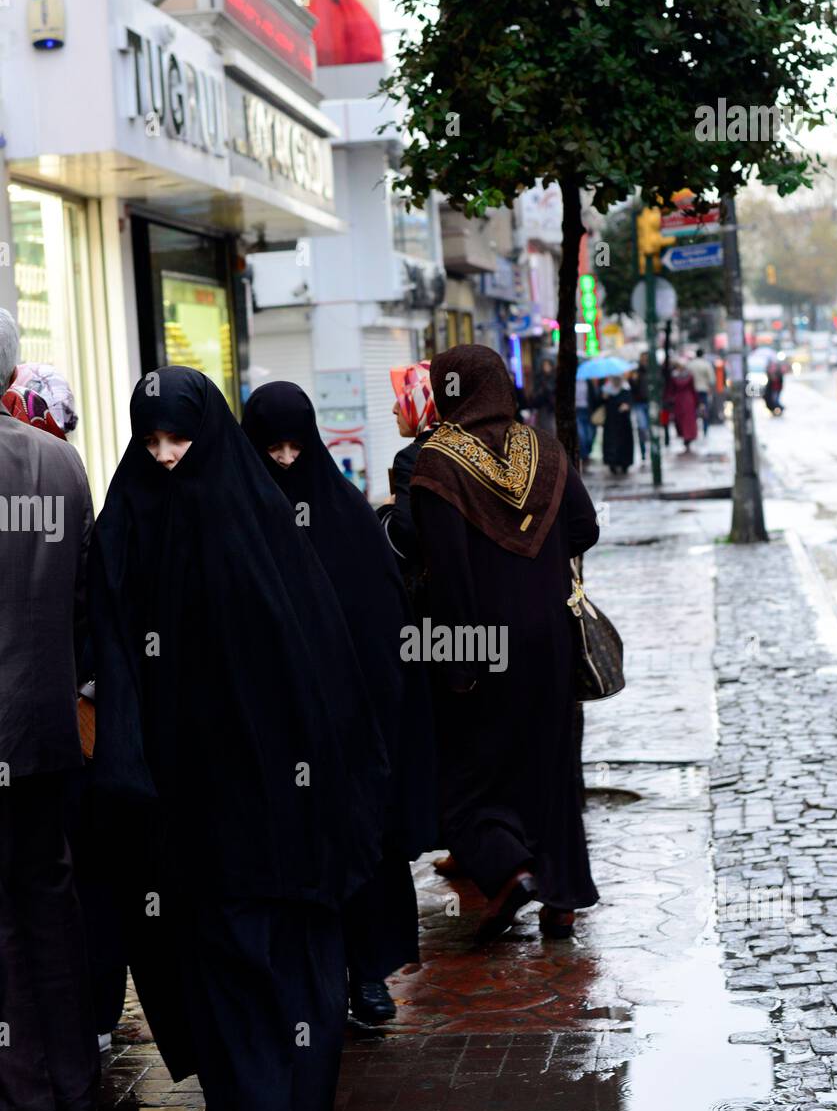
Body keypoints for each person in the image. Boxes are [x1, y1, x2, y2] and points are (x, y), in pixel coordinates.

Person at [89, 366, 393, 1111]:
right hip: (181, 796)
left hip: (274, 790)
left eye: (179, 437)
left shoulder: (256, 518)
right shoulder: (129, 517)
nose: (164, 455)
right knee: (216, 950)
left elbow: (314, 657)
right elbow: (106, 646)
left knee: (281, 947)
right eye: (149, 440)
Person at [242, 381, 437, 1026]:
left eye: (300, 445)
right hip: (282, 733)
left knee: (368, 851)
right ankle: (319, 986)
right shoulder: (243, 524)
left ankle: (369, 978)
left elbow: (386, 625)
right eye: (274, 448)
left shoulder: (347, 516)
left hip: (356, 727)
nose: (289, 460)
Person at [410, 344, 600, 944]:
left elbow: (448, 573)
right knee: (551, 767)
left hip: (481, 639)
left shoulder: (437, 463)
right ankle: (562, 898)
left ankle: (508, 869)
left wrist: (456, 661)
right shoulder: (544, 447)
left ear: (450, 391)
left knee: (466, 775)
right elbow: (585, 528)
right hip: (551, 637)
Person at [0, 308, 100, 1111]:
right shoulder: (61, 463)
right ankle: (75, 1084)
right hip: (44, 723)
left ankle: (23, 1096)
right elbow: (83, 596)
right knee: (51, 900)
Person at [376, 362, 438, 602]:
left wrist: (388, 509)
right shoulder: (463, 442)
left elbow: (405, 532)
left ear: (425, 403)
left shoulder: (411, 457)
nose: (394, 409)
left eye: (403, 400)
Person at [600, 376, 635, 474]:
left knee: (624, 443)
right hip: (611, 421)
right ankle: (612, 463)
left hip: (624, 422)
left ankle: (624, 464)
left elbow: (630, 402)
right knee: (611, 443)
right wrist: (603, 397)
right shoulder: (606, 390)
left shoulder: (626, 389)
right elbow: (599, 402)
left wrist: (626, 406)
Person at [665, 359, 698, 453]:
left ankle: (685, 436)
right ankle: (688, 437)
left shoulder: (674, 376)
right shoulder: (689, 376)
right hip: (688, 399)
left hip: (679, 400)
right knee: (688, 420)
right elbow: (693, 388)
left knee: (681, 419)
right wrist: (697, 401)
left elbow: (671, 390)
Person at [689, 348, 716, 437]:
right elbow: (712, 379)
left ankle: (694, 429)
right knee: (704, 409)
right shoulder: (706, 364)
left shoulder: (691, 364)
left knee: (693, 410)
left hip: (692, 391)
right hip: (703, 389)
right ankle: (705, 429)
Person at [629, 353, 650, 463]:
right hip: (639, 403)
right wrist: (633, 380)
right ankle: (643, 452)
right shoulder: (636, 372)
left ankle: (649, 451)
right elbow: (632, 388)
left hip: (650, 403)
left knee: (649, 429)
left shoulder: (652, 371)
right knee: (642, 428)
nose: (644, 361)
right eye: (643, 359)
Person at [532, 356, 557, 435]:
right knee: (542, 426)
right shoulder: (539, 377)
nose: (546, 367)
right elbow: (536, 391)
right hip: (542, 405)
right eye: (544, 365)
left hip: (551, 406)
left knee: (551, 426)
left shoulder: (554, 377)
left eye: (547, 365)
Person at [575, 368, 593, 464]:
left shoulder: (588, 381)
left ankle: (587, 452)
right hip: (577, 411)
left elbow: (593, 396)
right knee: (581, 435)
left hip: (587, 411)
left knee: (590, 435)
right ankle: (584, 455)